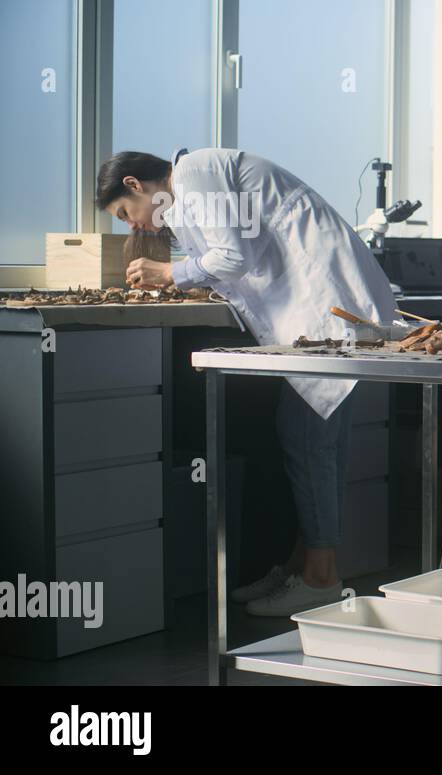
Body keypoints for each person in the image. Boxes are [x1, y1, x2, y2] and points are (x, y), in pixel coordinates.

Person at [95, 148, 397, 616]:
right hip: (317, 311)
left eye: (124, 214)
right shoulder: (190, 195)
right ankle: (304, 565)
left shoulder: (194, 172)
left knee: (307, 437)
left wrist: (170, 273)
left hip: (326, 306)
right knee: (316, 439)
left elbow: (233, 256)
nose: (133, 225)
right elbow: (231, 259)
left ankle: (321, 577)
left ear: (135, 185)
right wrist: (180, 273)